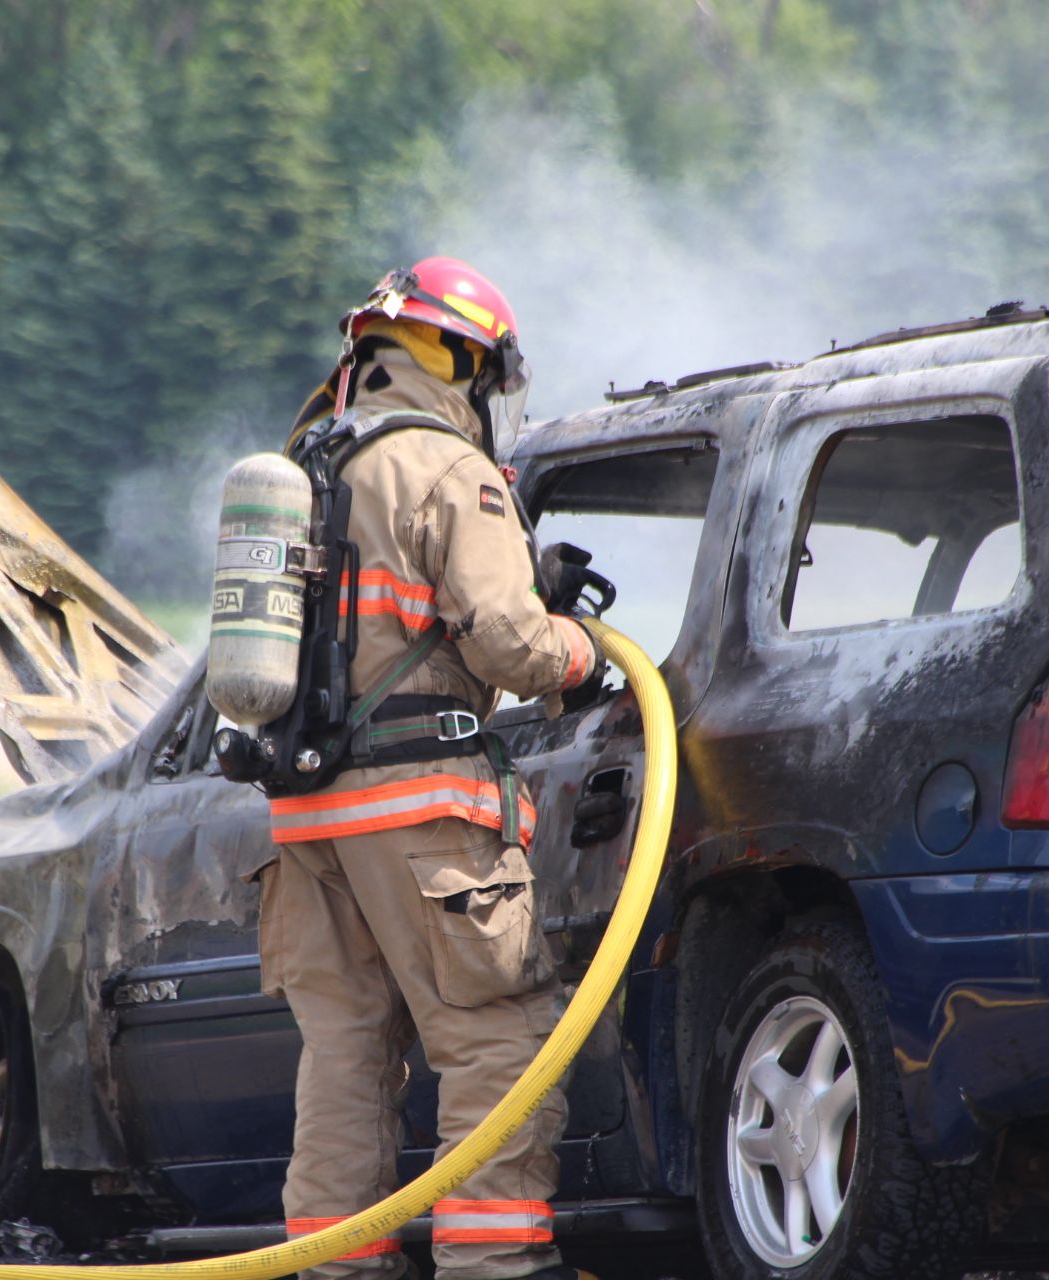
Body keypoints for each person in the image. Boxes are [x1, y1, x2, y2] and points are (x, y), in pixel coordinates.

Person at [257, 258, 602, 1280]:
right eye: (485, 371)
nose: (489, 394)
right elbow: (505, 645)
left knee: (347, 1051)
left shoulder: (310, 463)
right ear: (451, 355)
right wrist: (581, 652)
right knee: (497, 1035)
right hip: (423, 809)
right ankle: (493, 1264)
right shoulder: (451, 469)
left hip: (306, 821)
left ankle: (333, 1264)